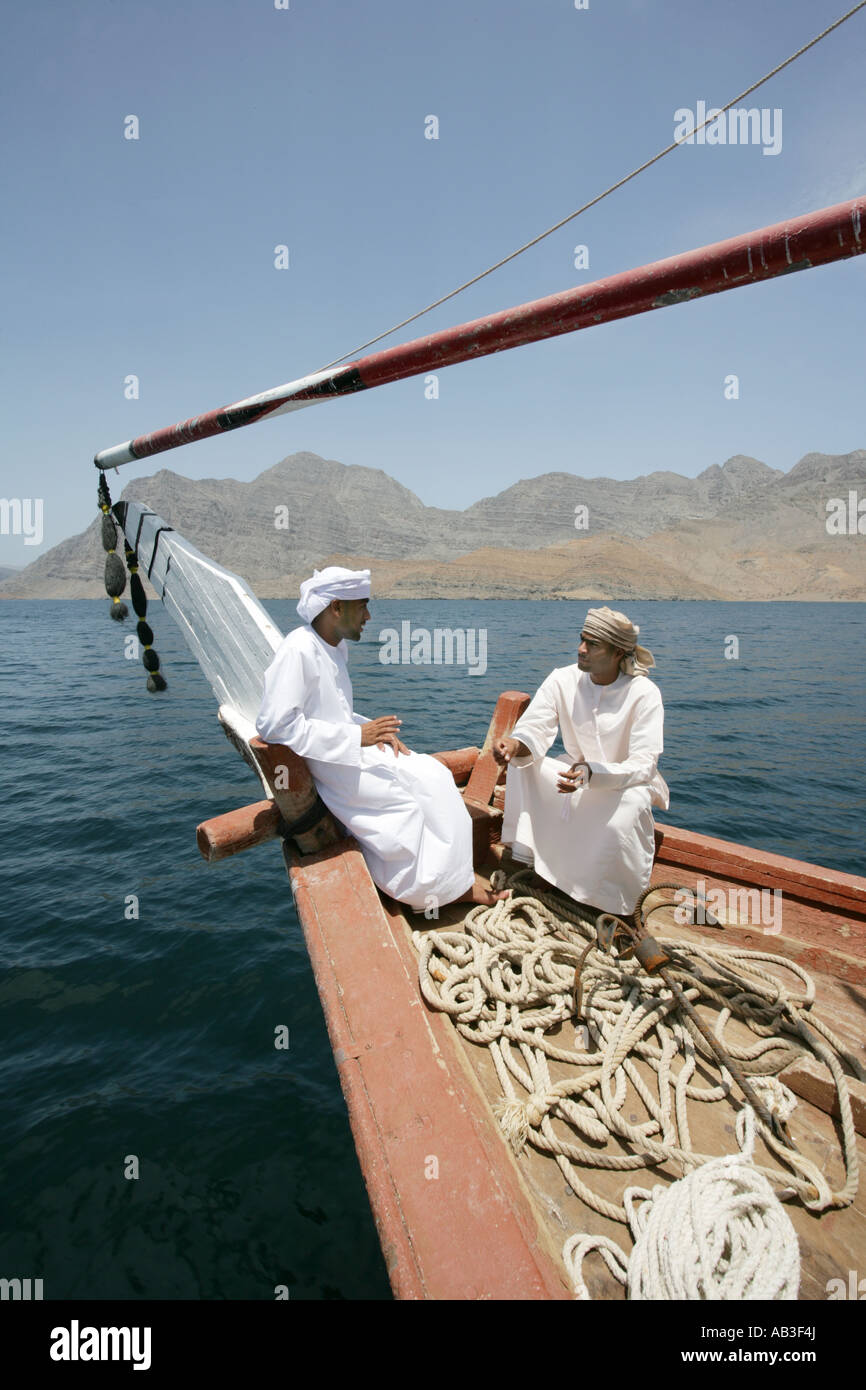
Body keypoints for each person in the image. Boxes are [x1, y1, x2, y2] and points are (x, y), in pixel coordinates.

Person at [256, 566, 508, 910]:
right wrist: (357, 736)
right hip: (329, 764)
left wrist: (373, 733)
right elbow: (275, 725)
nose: (368, 616)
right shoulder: (299, 649)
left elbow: (334, 712)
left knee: (434, 777)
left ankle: (454, 881)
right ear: (335, 608)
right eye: (362, 606)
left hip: (347, 749)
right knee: (403, 806)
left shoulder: (332, 647)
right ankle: (420, 890)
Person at [492, 607, 669, 916]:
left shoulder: (644, 693)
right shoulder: (563, 679)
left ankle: (609, 899)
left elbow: (644, 762)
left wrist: (594, 773)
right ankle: (549, 871)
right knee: (527, 767)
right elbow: (535, 727)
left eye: (592, 644)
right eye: (581, 639)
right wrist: (515, 744)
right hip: (574, 772)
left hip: (624, 781)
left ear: (616, 653)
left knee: (633, 801)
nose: (581, 649)